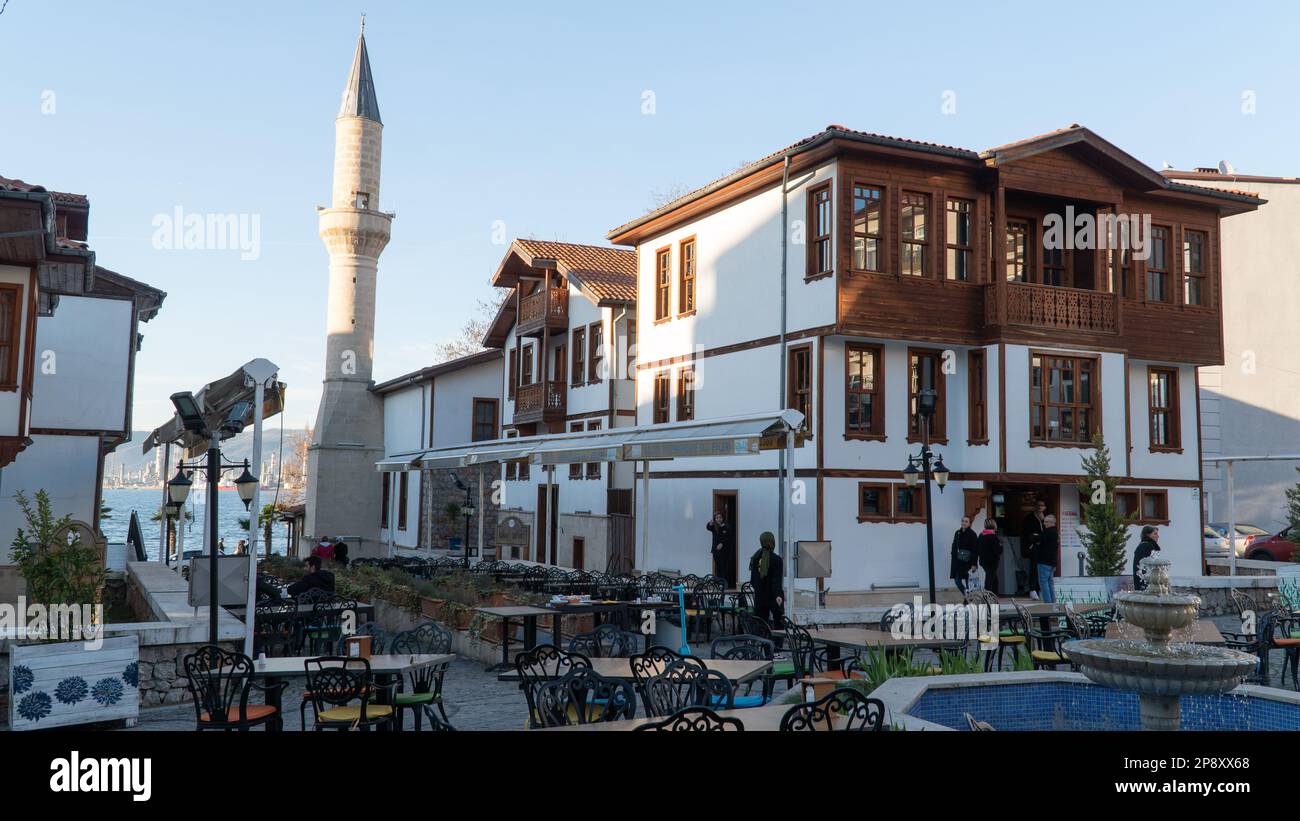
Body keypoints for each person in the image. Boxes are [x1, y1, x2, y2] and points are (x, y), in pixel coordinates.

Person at [748, 531, 784, 626]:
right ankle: (777, 641)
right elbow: (776, 580)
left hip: (760, 597)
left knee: (760, 624)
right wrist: (778, 595)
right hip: (773, 597)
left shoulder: (755, 557)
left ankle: (762, 640)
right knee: (778, 623)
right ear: (772, 542)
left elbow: (753, 580)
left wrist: (759, 589)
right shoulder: (777, 560)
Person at [1021, 499, 1047, 599]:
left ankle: (1041, 589)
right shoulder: (1029, 518)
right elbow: (1029, 535)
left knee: (1043, 569)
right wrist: (1037, 538)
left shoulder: (1046, 518)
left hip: (1043, 548)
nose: (1040, 508)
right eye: (1039, 505)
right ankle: (1033, 589)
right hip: (1034, 547)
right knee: (1034, 569)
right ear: (1035, 507)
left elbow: (1046, 533)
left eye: (1042, 506)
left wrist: (1043, 521)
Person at [950, 515, 979, 595]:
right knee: (957, 580)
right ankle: (966, 594)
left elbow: (975, 550)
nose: (964, 523)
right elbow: (954, 545)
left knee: (968, 581)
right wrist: (953, 553)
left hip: (968, 561)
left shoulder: (972, 534)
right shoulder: (957, 533)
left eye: (966, 521)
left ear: (970, 523)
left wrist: (974, 564)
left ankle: (968, 599)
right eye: (963, 521)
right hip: (958, 561)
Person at [706, 511, 735, 587]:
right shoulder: (714, 527)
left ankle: (726, 584)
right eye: (717, 518)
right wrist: (710, 523)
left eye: (720, 518)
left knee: (724, 568)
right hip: (716, 551)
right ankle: (720, 584)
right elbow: (708, 527)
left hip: (725, 551)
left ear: (723, 518)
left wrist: (722, 543)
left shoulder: (727, 526)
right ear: (715, 519)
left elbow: (729, 538)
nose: (718, 519)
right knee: (718, 568)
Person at [976, 518, 1003, 598]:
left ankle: (994, 600)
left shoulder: (981, 535)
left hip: (983, 561)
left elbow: (977, 548)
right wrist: (1001, 546)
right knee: (990, 581)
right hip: (992, 562)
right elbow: (998, 551)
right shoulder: (993, 537)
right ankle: (987, 598)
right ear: (994, 525)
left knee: (994, 580)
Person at [1036, 514, 1060, 603]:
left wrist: (1034, 537)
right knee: (1050, 583)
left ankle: (1048, 604)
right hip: (1052, 562)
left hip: (1044, 561)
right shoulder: (1055, 532)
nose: (1044, 523)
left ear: (1051, 523)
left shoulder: (1048, 532)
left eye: (1046, 522)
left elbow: (1039, 539)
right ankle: (1053, 603)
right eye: (1044, 521)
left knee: (1043, 583)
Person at [1133, 526, 1161, 591]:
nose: (1158, 536)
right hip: (1145, 582)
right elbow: (1150, 565)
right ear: (1148, 535)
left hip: (1141, 580)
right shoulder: (1147, 546)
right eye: (1155, 534)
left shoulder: (1144, 545)